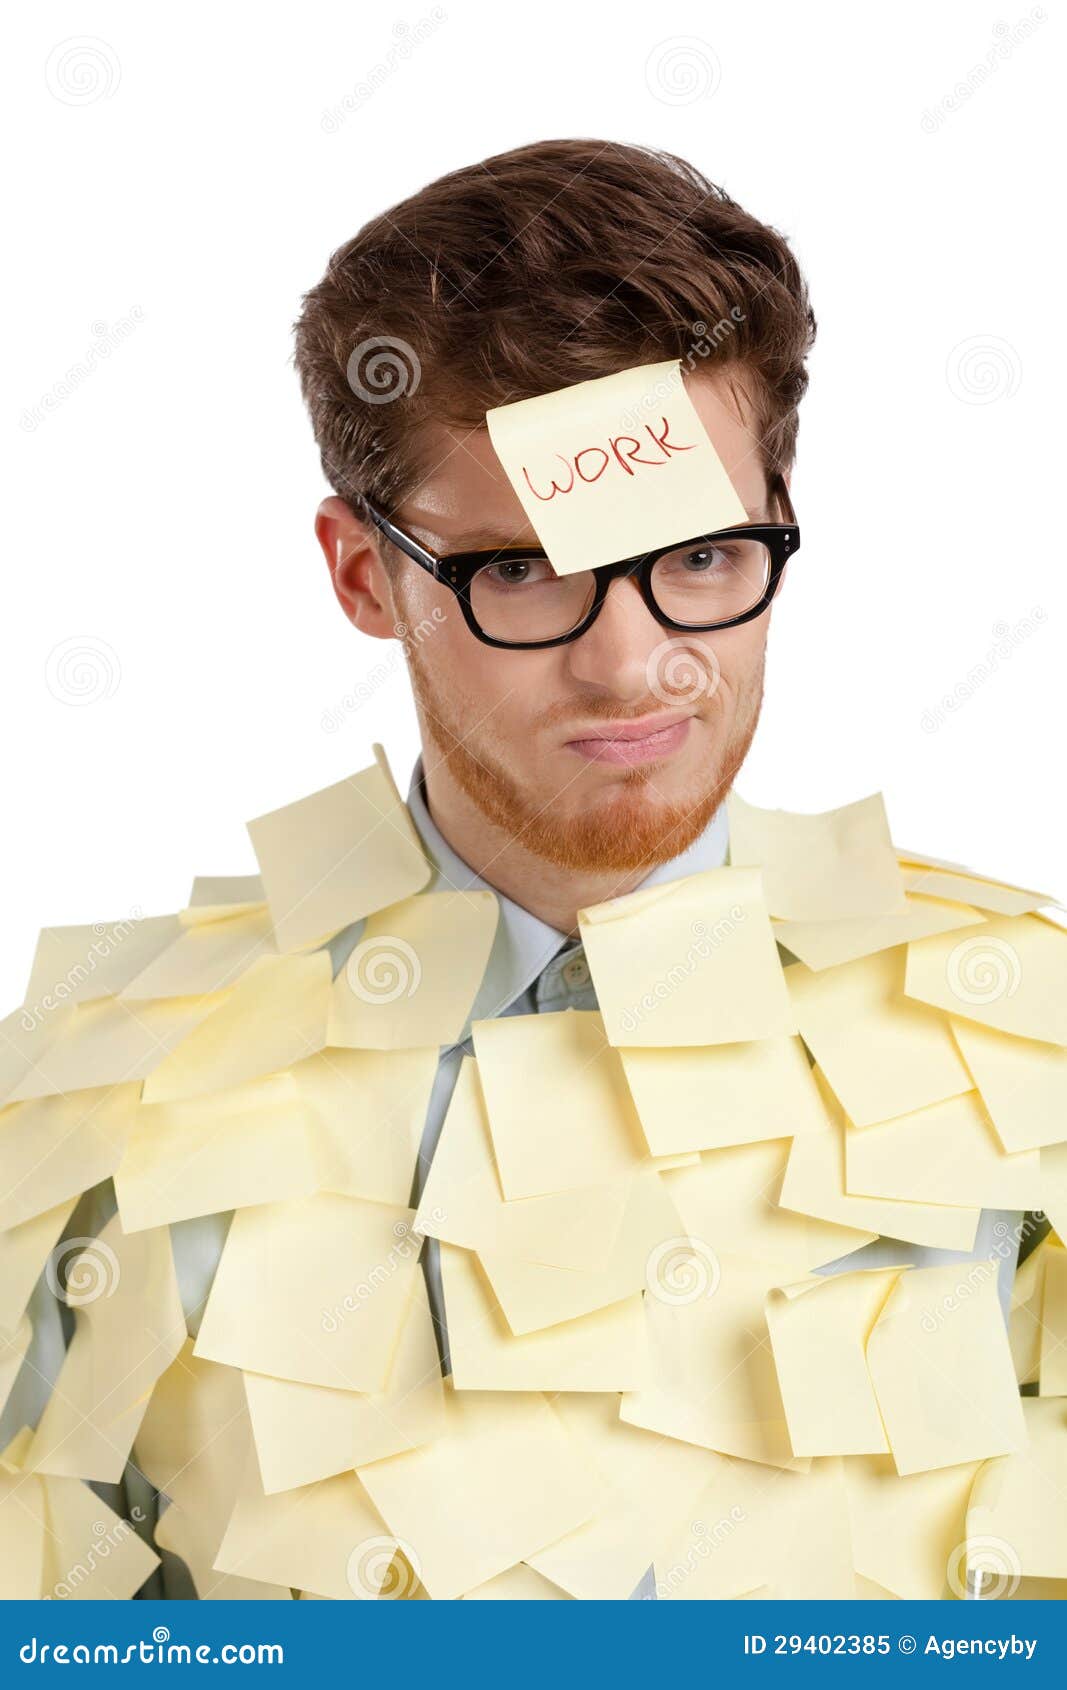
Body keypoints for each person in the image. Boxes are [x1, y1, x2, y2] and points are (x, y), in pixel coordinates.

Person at [0, 139, 1037, 1601]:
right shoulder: (81, 1102)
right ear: (365, 574)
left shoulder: (1028, 1046)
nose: (634, 663)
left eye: (700, 554)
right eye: (526, 570)